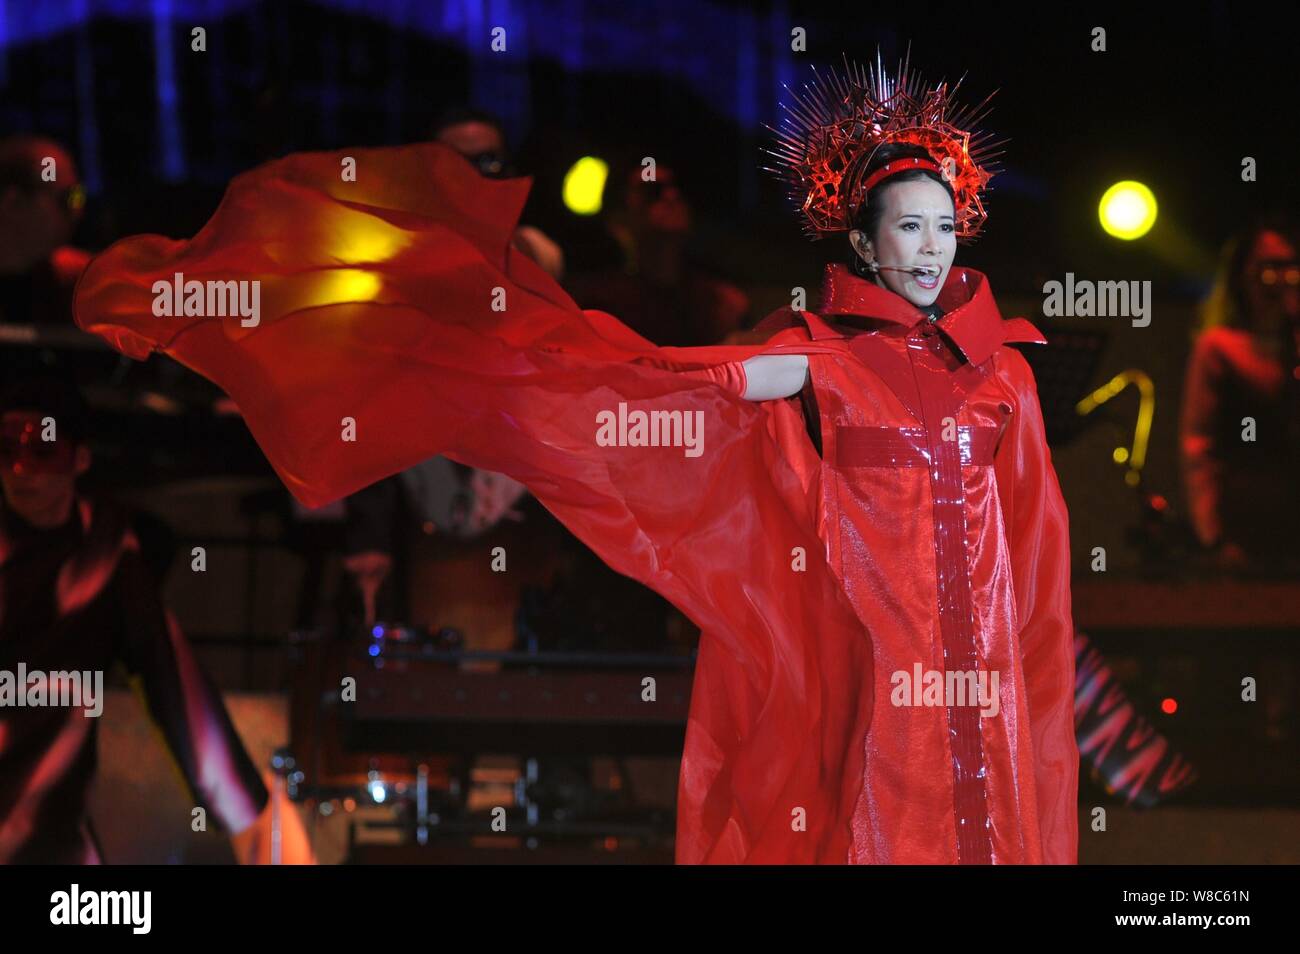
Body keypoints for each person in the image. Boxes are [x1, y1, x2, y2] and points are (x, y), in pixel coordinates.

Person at [72, 55, 1077, 864]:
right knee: (874, 811)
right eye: (908, 225)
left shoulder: (1003, 375)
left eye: (945, 225)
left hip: (977, 658)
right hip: (876, 635)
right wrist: (541, 366)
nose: (932, 246)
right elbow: (700, 383)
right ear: (861, 240)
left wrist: (1037, 681)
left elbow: (1036, 563)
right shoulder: (823, 358)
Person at [0, 375, 292, 863]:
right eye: (6, 449)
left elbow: (172, 682)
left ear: (81, 458)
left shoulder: (106, 556)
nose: (21, 471)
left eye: (41, 451)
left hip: (51, 836)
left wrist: (250, 815)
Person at [1179, 218, 1300, 572]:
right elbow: (1198, 445)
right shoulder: (1219, 347)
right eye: (1268, 267)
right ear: (1243, 274)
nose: (1279, 278)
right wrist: (1212, 533)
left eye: (1289, 266)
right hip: (1245, 525)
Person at [0, 135, 91, 326]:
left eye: (79, 197)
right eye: (68, 197)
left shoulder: (70, 284)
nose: (77, 212)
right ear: (14, 202)